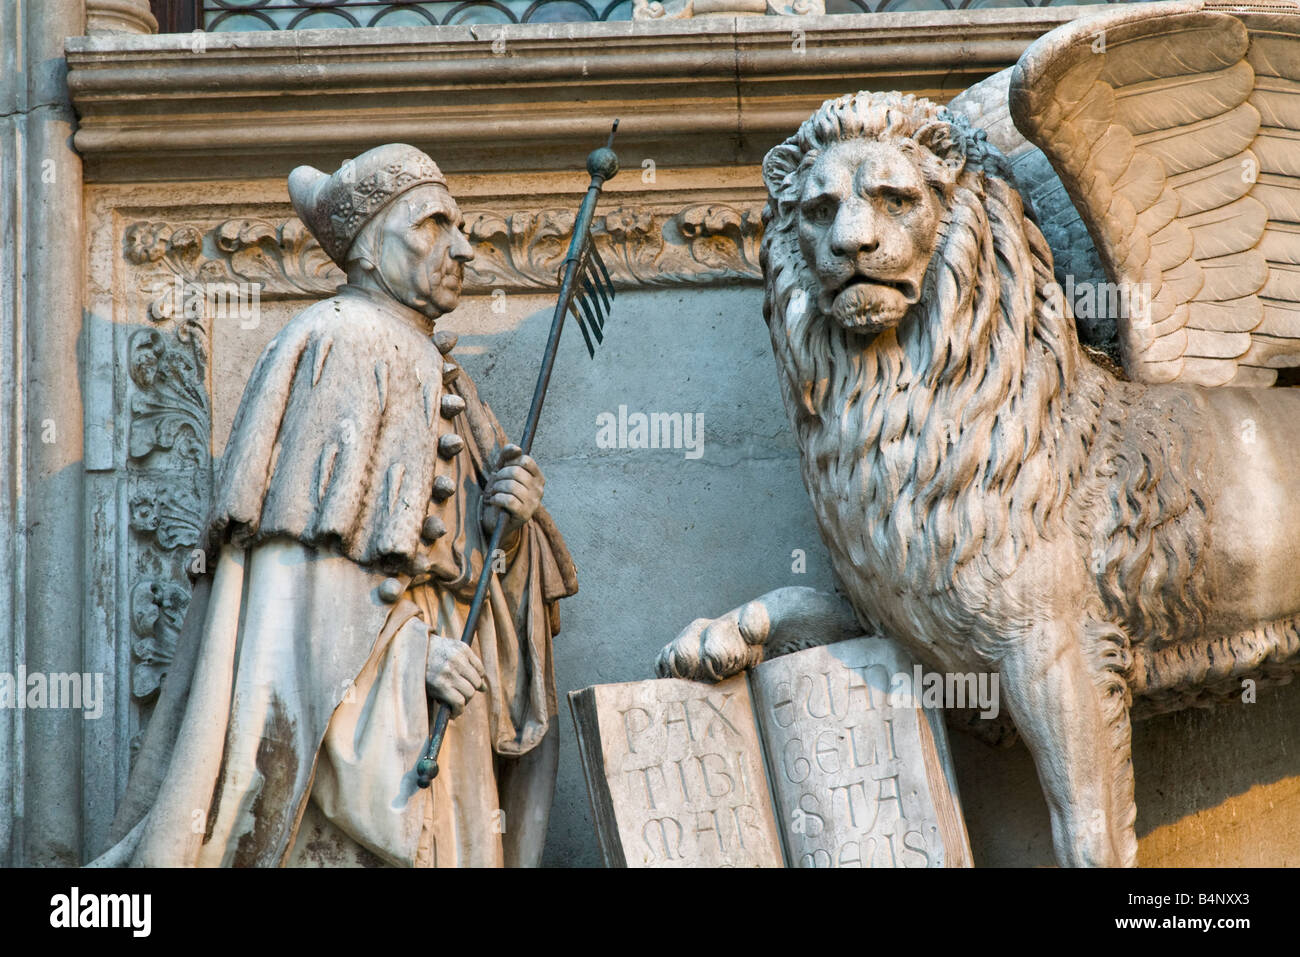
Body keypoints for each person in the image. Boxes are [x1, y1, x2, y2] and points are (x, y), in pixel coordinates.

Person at [91, 144, 578, 867]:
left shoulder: (445, 372)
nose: (466, 248)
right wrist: (410, 660)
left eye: (463, 226)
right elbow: (286, 593)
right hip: (372, 723)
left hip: (445, 713)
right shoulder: (337, 343)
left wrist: (508, 527)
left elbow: (483, 580)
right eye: (435, 224)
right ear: (371, 247)